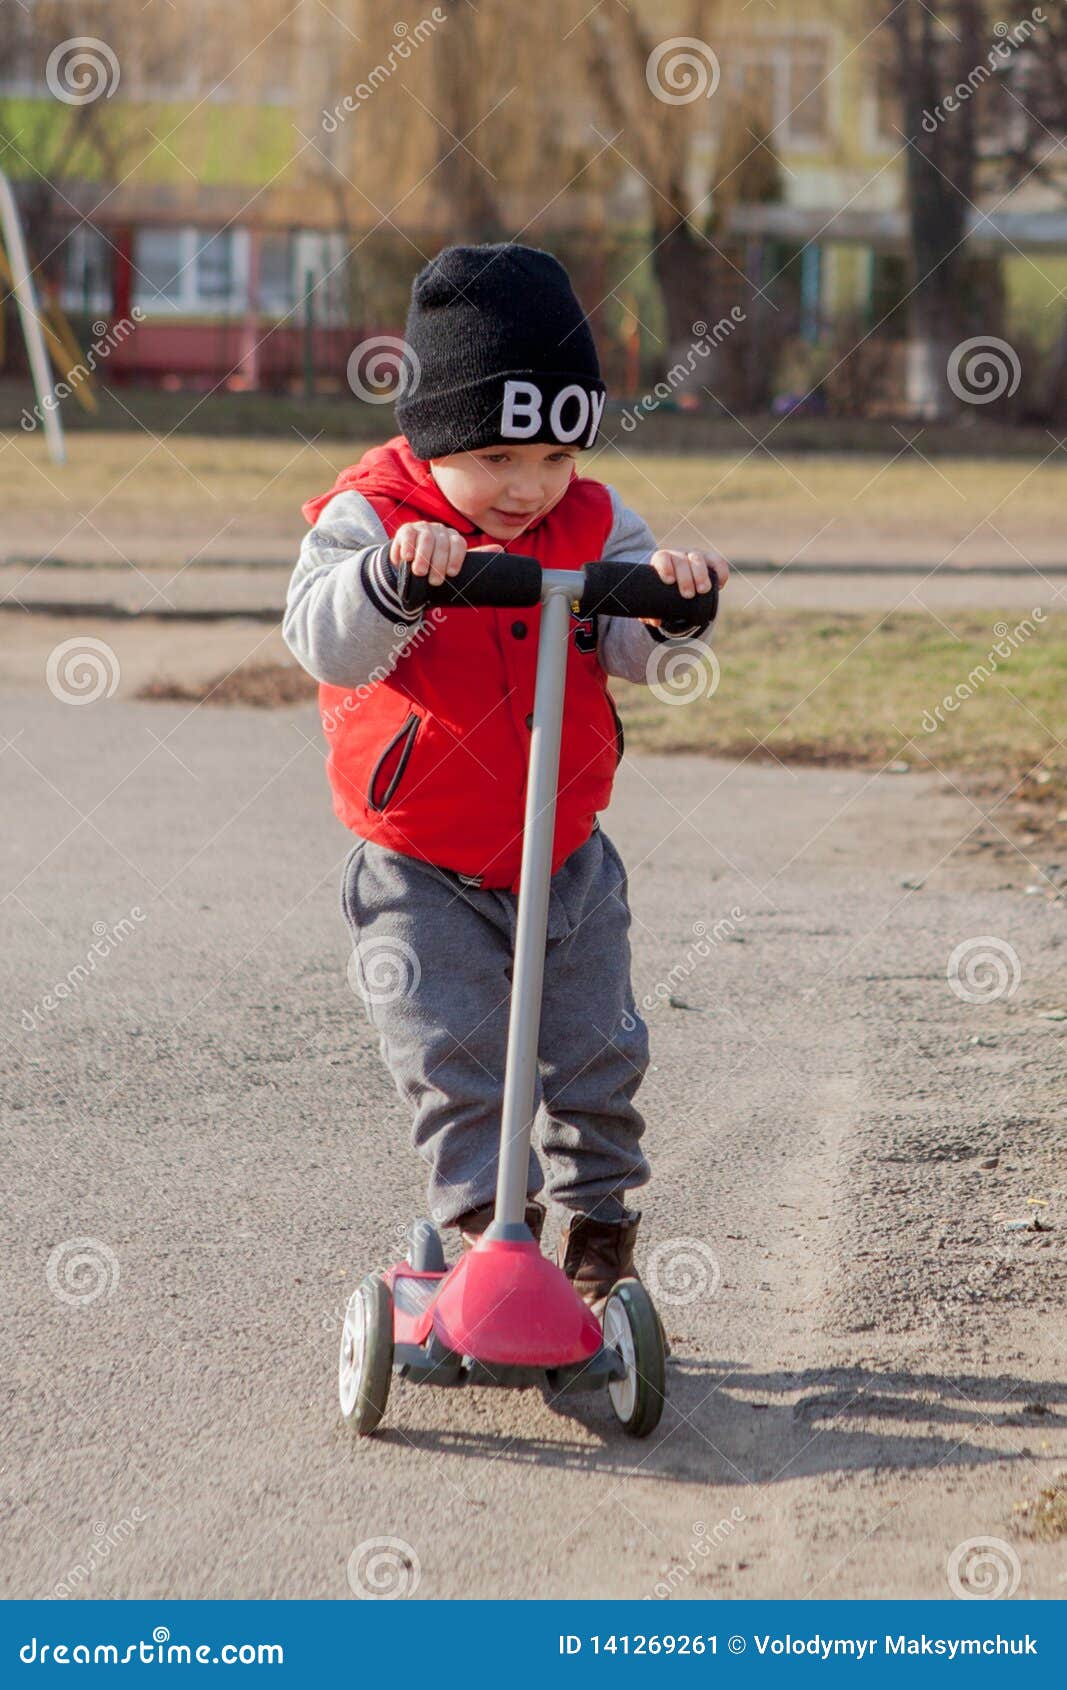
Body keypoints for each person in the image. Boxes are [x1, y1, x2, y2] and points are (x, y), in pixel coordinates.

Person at [283, 242, 727, 1317]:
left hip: (564, 848)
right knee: (454, 1054)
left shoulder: (591, 519)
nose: (528, 488)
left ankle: (599, 1226)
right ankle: (486, 1230)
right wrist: (389, 584)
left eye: (552, 457)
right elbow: (320, 642)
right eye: (494, 457)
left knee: (597, 1049)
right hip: (417, 858)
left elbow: (629, 644)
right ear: (434, 434)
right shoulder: (370, 518)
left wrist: (668, 609)